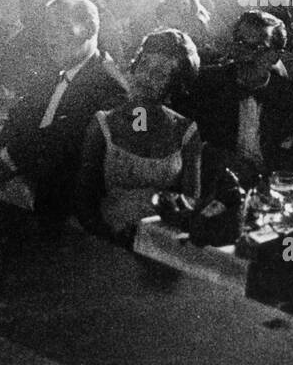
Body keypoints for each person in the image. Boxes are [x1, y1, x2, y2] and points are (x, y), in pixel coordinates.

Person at [0, 0, 130, 233]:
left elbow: (70, 150)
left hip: (64, 204)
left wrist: (12, 163)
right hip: (27, 183)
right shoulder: (57, 70)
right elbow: (19, 117)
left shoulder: (109, 87)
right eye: (48, 27)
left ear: (90, 29)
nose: (49, 37)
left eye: (61, 27)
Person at [74, 28, 202, 240]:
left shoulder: (186, 131)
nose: (146, 78)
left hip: (162, 240)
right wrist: (117, 240)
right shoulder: (104, 123)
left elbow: (190, 202)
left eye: (160, 73)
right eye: (143, 66)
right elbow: (84, 203)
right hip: (109, 239)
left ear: (175, 85)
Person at [177, 10, 293, 186]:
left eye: (256, 48)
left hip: (274, 188)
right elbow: (184, 143)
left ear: (275, 56)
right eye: (240, 44)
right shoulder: (205, 84)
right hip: (216, 186)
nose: (245, 55)